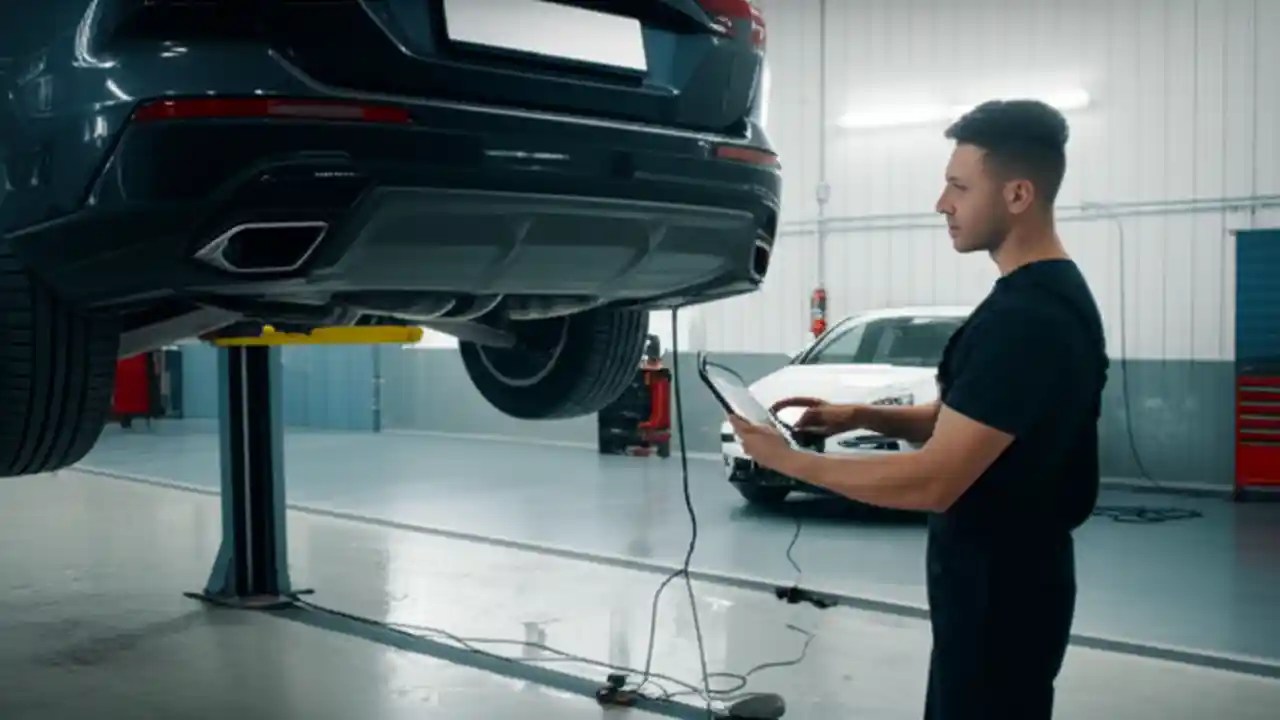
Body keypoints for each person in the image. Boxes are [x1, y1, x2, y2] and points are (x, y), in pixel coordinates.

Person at [728, 99, 1109, 719]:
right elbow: (974, 423)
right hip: (1003, 581)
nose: (942, 203)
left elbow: (934, 480)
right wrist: (859, 417)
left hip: (1001, 590)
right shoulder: (1042, 297)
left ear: (1017, 194)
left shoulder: (1027, 319)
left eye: (959, 186)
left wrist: (786, 461)